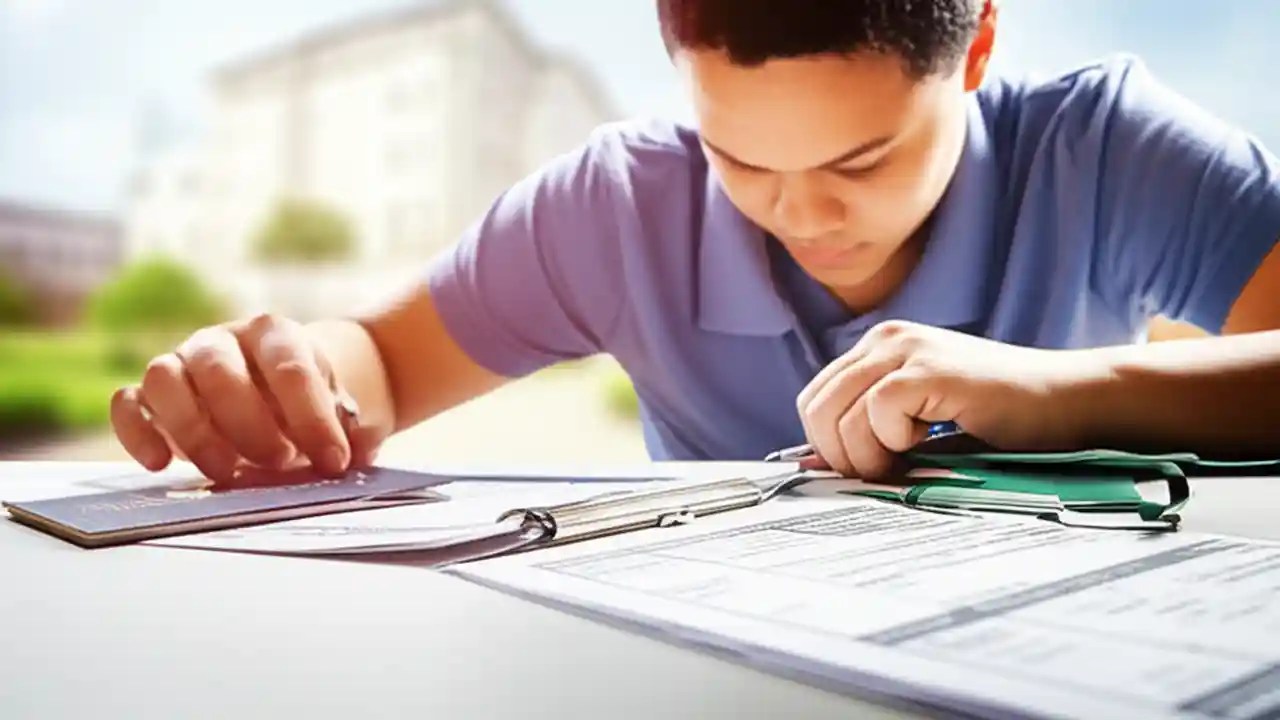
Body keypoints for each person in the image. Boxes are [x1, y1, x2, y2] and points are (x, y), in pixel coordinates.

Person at [109, 0, 1280, 482]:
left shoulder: (1105, 149)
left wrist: (1064, 393)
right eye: (741, 161)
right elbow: (379, 362)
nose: (802, 218)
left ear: (975, 49)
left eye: (860, 162)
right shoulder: (619, 204)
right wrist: (284, 379)